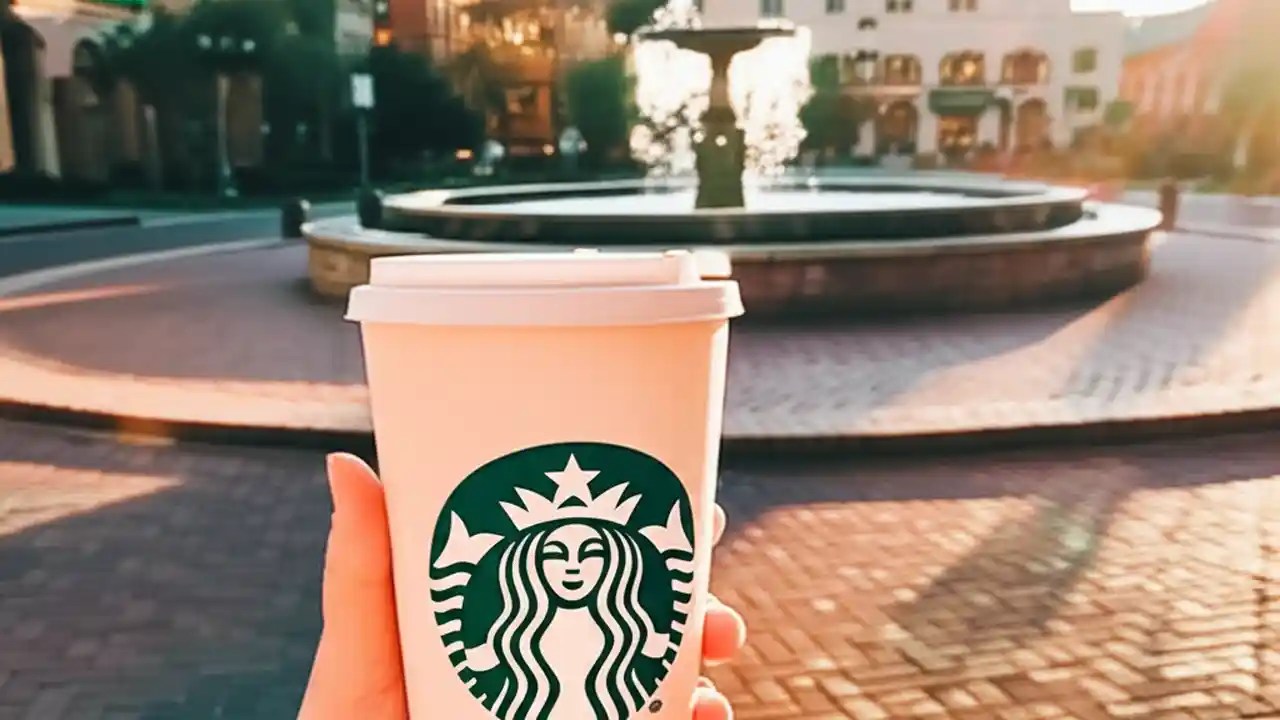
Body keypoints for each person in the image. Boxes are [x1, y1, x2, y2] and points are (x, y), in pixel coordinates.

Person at [298, 454, 747, 720]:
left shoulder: (637, 638)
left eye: (591, 553)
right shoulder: (501, 645)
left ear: (616, 562)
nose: (573, 567)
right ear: (528, 564)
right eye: (555, 554)